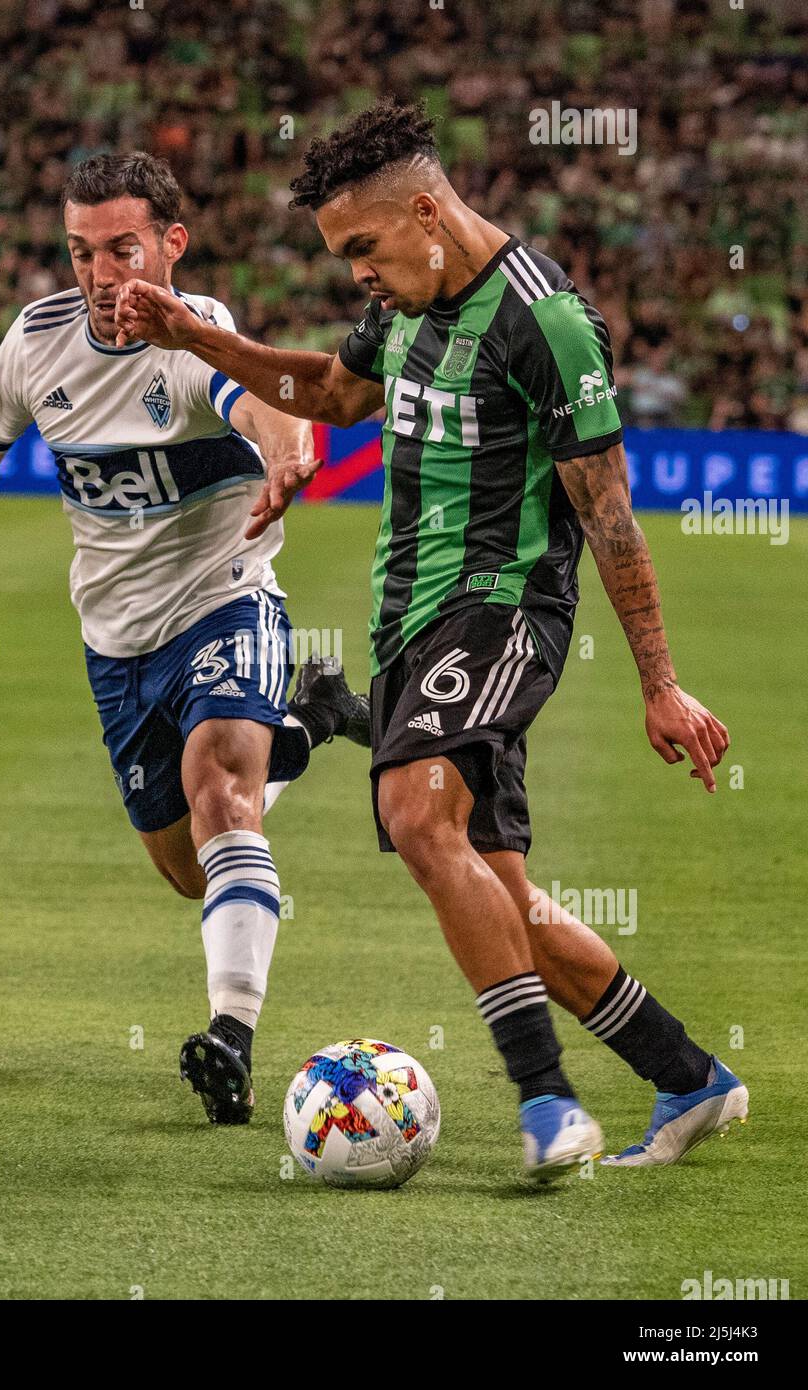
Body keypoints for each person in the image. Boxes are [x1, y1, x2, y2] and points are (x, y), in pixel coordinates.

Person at [111, 101, 748, 1179]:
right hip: (410, 620)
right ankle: (688, 1077)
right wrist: (193, 334)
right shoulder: (401, 309)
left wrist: (660, 685)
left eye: (361, 246)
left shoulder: (541, 320)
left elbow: (607, 512)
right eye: (338, 254)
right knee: (502, 900)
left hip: (503, 607)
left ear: (424, 209)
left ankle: (545, 1101)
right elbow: (326, 393)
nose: (353, 271)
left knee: (413, 808)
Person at [0, 152, 368, 1128]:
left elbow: (265, 404)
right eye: (81, 253)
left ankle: (229, 1039)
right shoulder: (37, 346)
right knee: (190, 865)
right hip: (115, 643)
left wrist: (286, 457)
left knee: (220, 794)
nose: (103, 276)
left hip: (223, 598)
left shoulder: (196, 337)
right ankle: (313, 720)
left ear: (168, 244)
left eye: (121, 249)